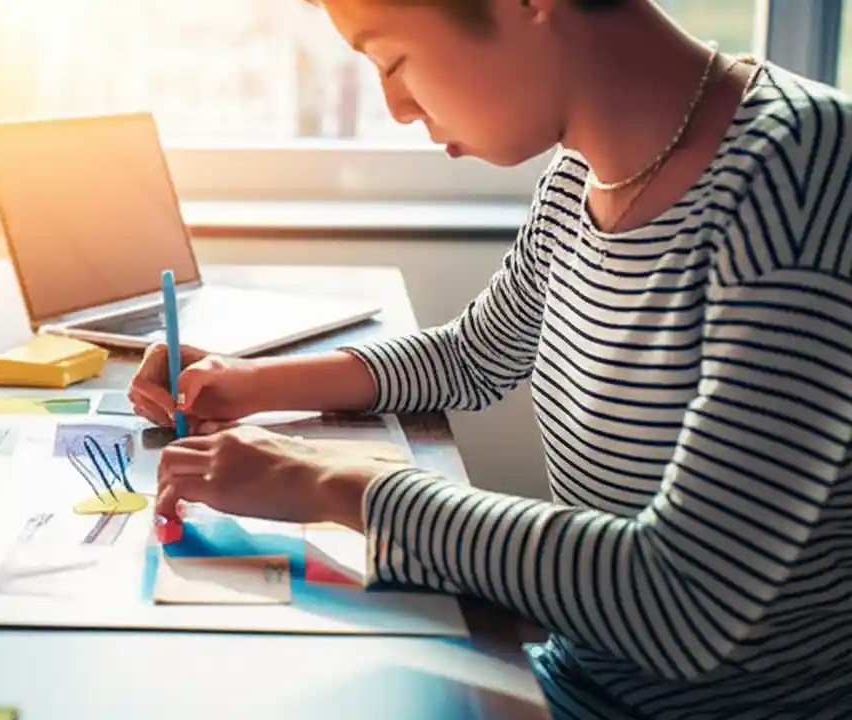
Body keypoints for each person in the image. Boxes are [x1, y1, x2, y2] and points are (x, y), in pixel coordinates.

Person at [126, 0, 852, 717]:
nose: (398, 106)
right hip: (566, 675)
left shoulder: (802, 175)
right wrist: (242, 383)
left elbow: (686, 599)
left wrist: (326, 481)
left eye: (391, 57)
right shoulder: (581, 174)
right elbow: (476, 355)